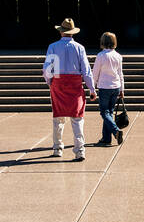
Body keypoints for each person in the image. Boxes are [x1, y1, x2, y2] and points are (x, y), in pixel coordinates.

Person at [42, 18, 97, 161]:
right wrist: (92, 89)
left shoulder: (53, 46)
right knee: (77, 118)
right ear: (73, 33)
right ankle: (80, 151)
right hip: (75, 85)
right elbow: (86, 71)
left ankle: (57, 148)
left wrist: (50, 82)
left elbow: (47, 69)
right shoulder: (79, 48)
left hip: (58, 84)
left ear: (61, 32)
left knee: (58, 118)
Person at [92, 32, 125, 147]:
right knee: (109, 112)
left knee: (104, 112)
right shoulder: (118, 56)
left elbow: (95, 73)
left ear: (103, 42)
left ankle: (115, 131)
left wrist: (92, 88)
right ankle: (106, 139)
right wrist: (122, 89)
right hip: (115, 87)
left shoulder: (101, 56)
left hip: (104, 87)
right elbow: (120, 74)